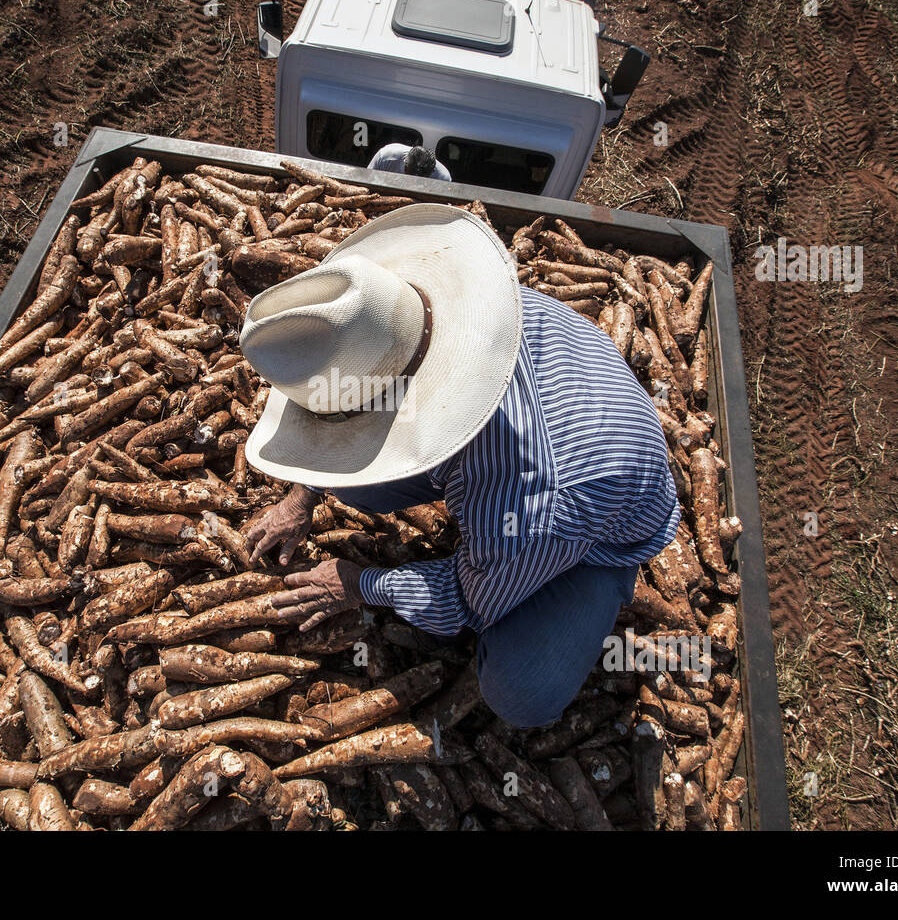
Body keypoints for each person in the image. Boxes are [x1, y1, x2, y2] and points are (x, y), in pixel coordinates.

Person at [238, 204, 679, 728]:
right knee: (359, 489)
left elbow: (469, 602)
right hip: (585, 413)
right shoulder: (454, 311)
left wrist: (358, 584)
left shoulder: (529, 506)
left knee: (521, 697)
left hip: (600, 520)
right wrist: (300, 496)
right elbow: (353, 387)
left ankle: (603, 579)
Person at [366, 143, 452, 181]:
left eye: (420, 179)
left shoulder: (443, 177)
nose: (413, 182)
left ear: (432, 171)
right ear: (405, 162)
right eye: (410, 175)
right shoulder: (386, 157)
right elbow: (368, 181)